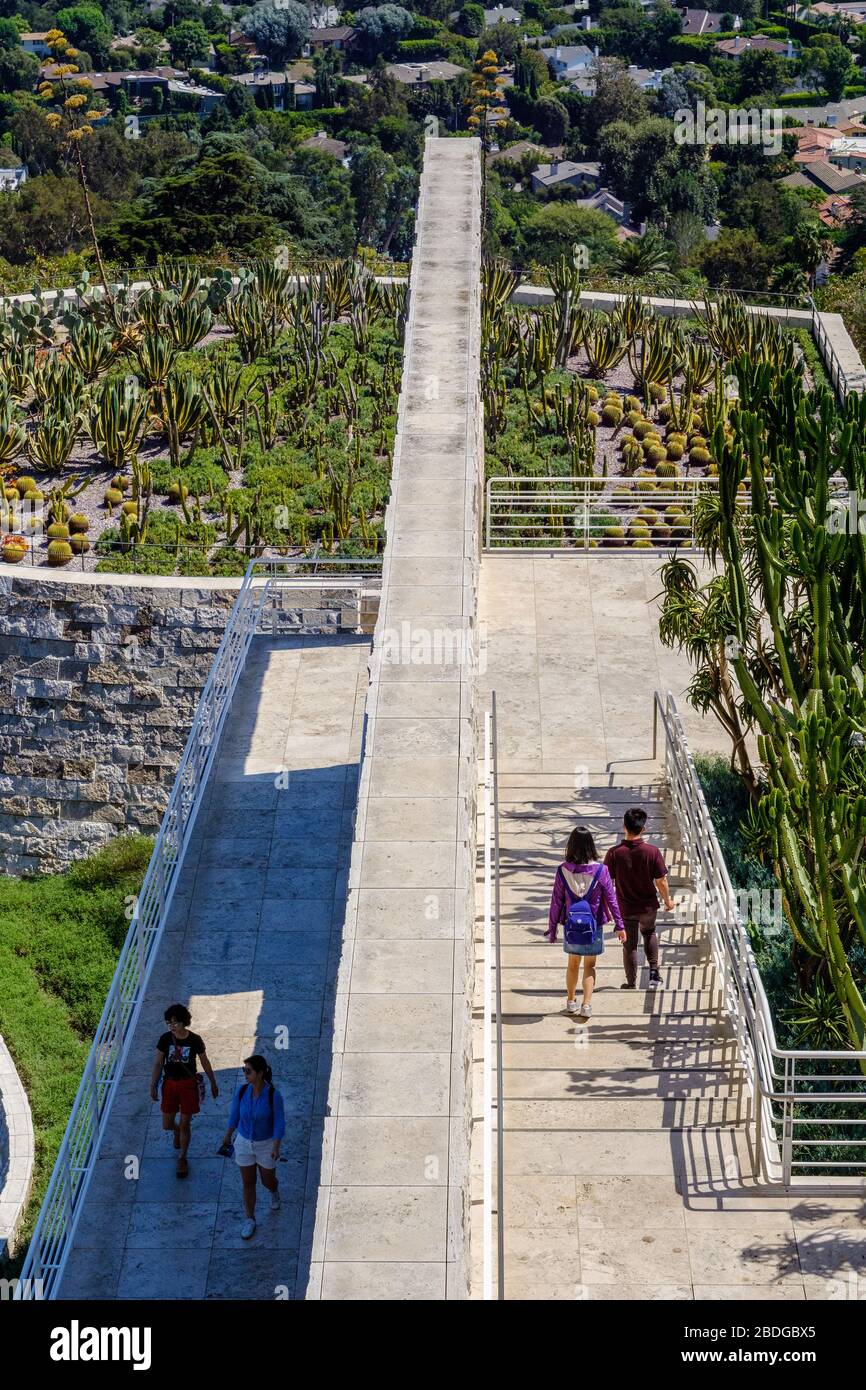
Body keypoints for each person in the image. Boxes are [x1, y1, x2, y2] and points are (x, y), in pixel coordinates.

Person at [546, 825, 625, 1019]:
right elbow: (612, 899)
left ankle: (571, 1001)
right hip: (594, 925)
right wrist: (619, 924)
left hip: (571, 925)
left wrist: (553, 928)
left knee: (572, 964)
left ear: (571, 846)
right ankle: (586, 1005)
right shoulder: (601, 871)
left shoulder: (562, 870)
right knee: (590, 966)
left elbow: (556, 900)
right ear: (591, 845)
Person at [604, 806, 675, 991]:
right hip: (648, 907)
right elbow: (661, 880)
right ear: (643, 829)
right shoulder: (652, 852)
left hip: (625, 908)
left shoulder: (614, 853)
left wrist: (606, 907)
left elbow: (606, 883)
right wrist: (668, 901)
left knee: (630, 945)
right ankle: (653, 972)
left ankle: (630, 982)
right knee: (649, 932)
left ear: (623, 826)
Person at [221, 1055, 286, 1240]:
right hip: (243, 1143)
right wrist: (227, 1136)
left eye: (248, 1071)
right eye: (244, 1070)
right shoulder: (242, 1092)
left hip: (265, 1145)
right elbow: (234, 1116)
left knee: (267, 1180)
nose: (245, 1074)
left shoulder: (274, 1095)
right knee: (248, 1182)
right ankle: (249, 1219)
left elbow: (279, 1123)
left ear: (260, 1073)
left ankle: (274, 1191)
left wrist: (276, 1146)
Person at [150, 1004, 218, 1178]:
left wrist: (213, 1082)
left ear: (184, 1022)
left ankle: (182, 1158)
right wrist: (153, 1084)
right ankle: (176, 1131)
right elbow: (158, 1063)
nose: (172, 1026)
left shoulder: (195, 1040)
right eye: (169, 1023)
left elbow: (205, 1062)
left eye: (175, 1022)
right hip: (170, 1084)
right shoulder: (165, 1039)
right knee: (167, 1124)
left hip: (188, 1084)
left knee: (186, 1123)